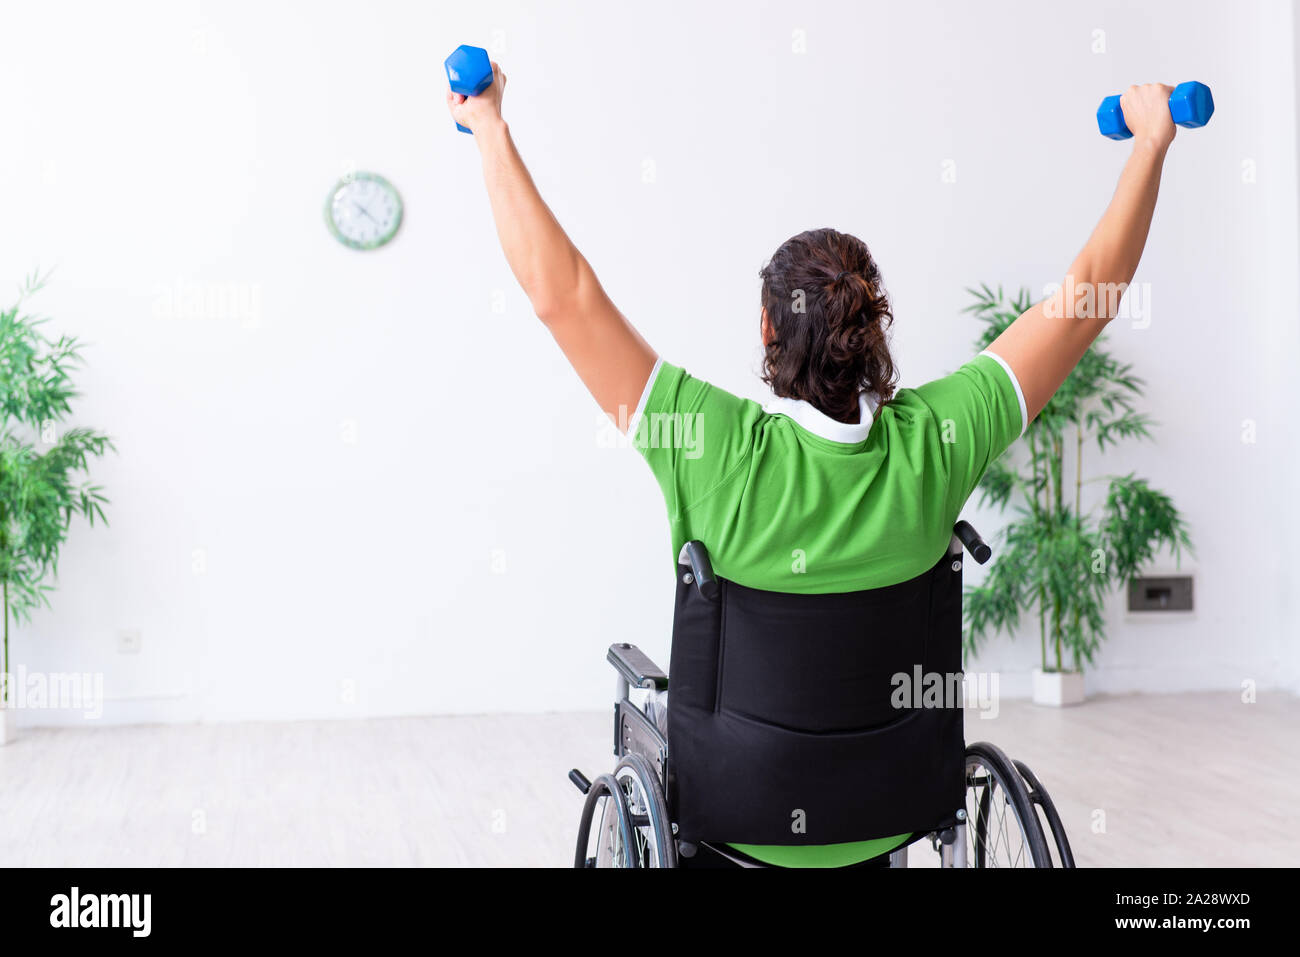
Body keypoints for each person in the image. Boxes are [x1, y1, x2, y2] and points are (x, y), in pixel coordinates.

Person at [448, 68, 1180, 867]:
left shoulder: (708, 443)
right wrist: (1150, 143)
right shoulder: (939, 439)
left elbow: (564, 296)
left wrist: (488, 124)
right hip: (894, 806)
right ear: (877, 326)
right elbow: (1089, 299)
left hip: (737, 817)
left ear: (767, 326)